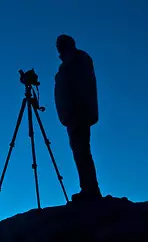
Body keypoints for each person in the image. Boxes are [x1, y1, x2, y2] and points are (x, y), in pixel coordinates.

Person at [54, 34, 102, 202]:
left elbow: (80, 86)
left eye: (60, 45)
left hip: (78, 113)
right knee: (80, 151)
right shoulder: (72, 61)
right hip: (74, 114)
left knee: (82, 151)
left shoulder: (77, 60)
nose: (58, 48)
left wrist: (80, 110)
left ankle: (90, 190)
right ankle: (88, 188)